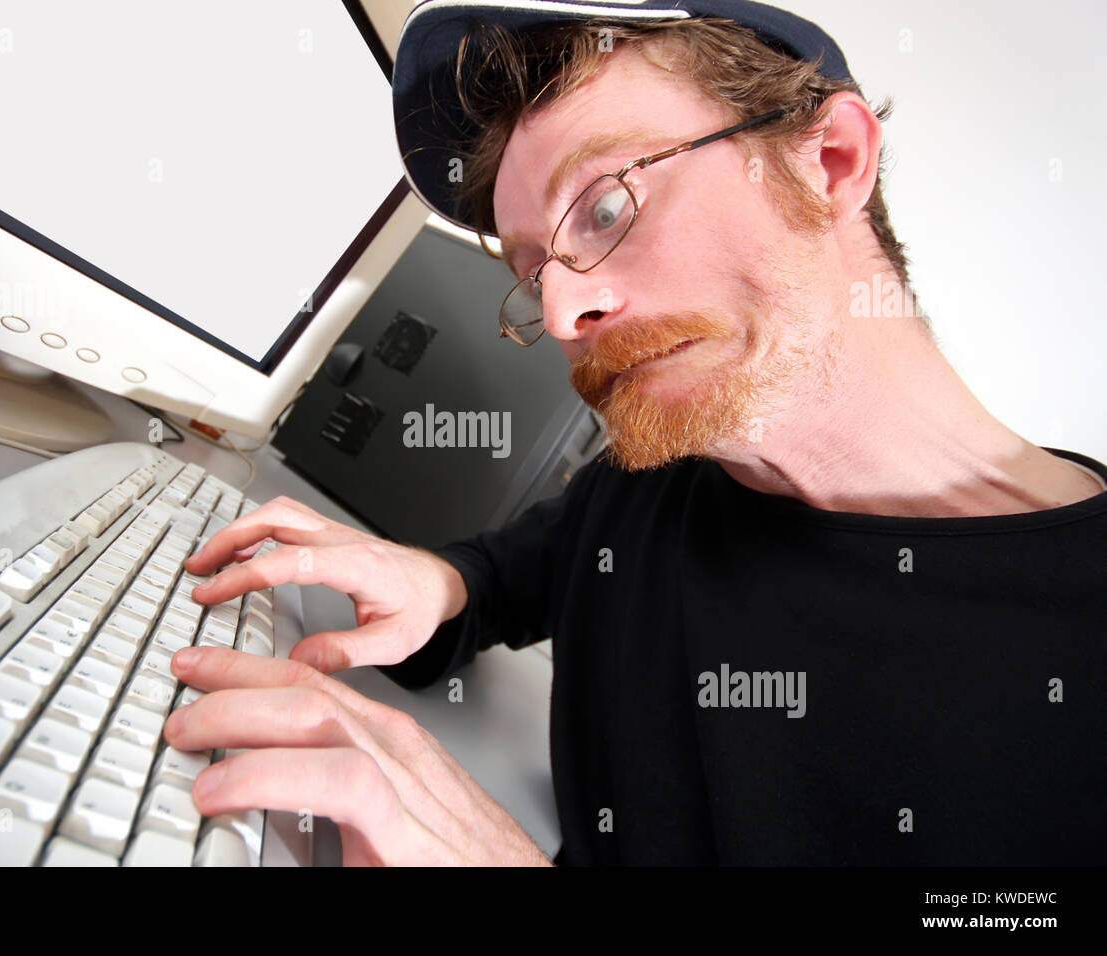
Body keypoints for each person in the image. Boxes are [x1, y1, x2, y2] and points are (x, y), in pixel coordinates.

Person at [165, 0, 1107, 865]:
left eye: (607, 207)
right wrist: (438, 587)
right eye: (535, 271)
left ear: (830, 162)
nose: (565, 309)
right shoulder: (656, 477)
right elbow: (509, 577)